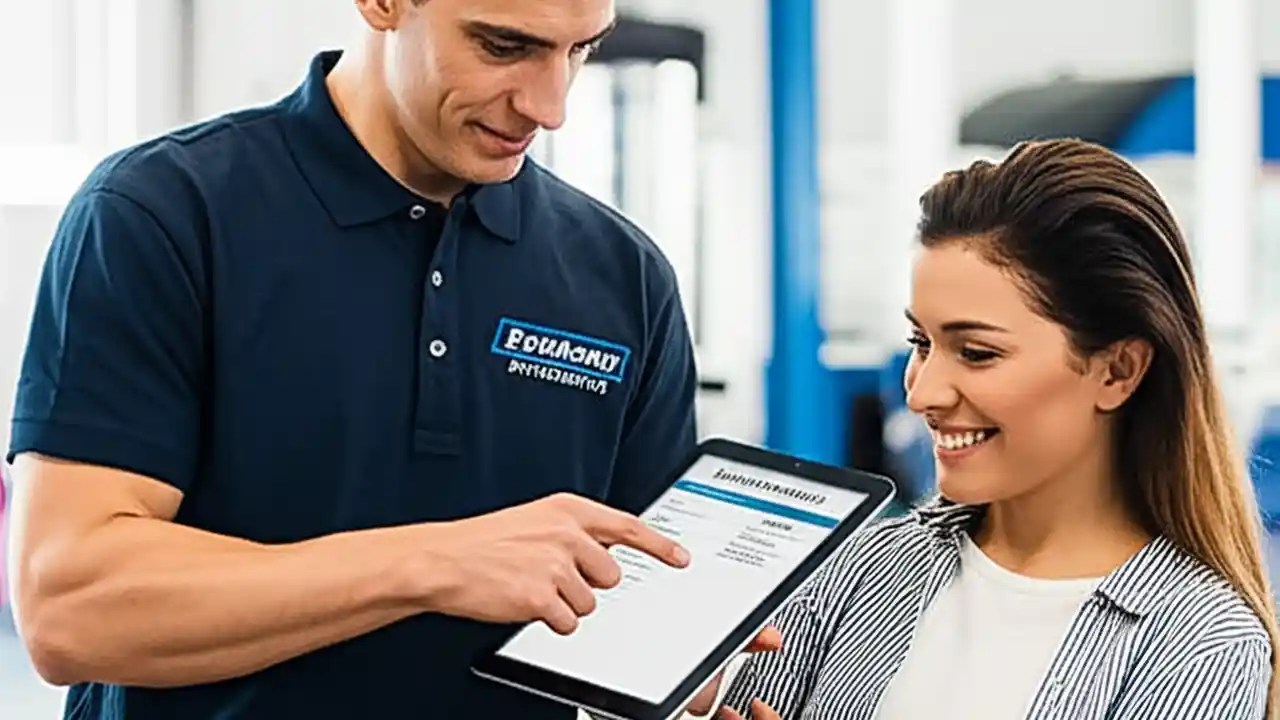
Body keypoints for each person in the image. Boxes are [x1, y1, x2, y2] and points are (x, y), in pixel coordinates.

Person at [5, 1, 706, 718]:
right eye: (503, 46)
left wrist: (703, 685)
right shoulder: (162, 214)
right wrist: (431, 565)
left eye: (580, 50)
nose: (549, 108)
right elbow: (69, 610)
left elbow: (641, 618)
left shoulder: (624, 277)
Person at [687, 138, 1280, 720]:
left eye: (976, 353)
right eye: (921, 342)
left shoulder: (1199, 643)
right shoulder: (855, 571)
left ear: (1117, 371)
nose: (922, 394)